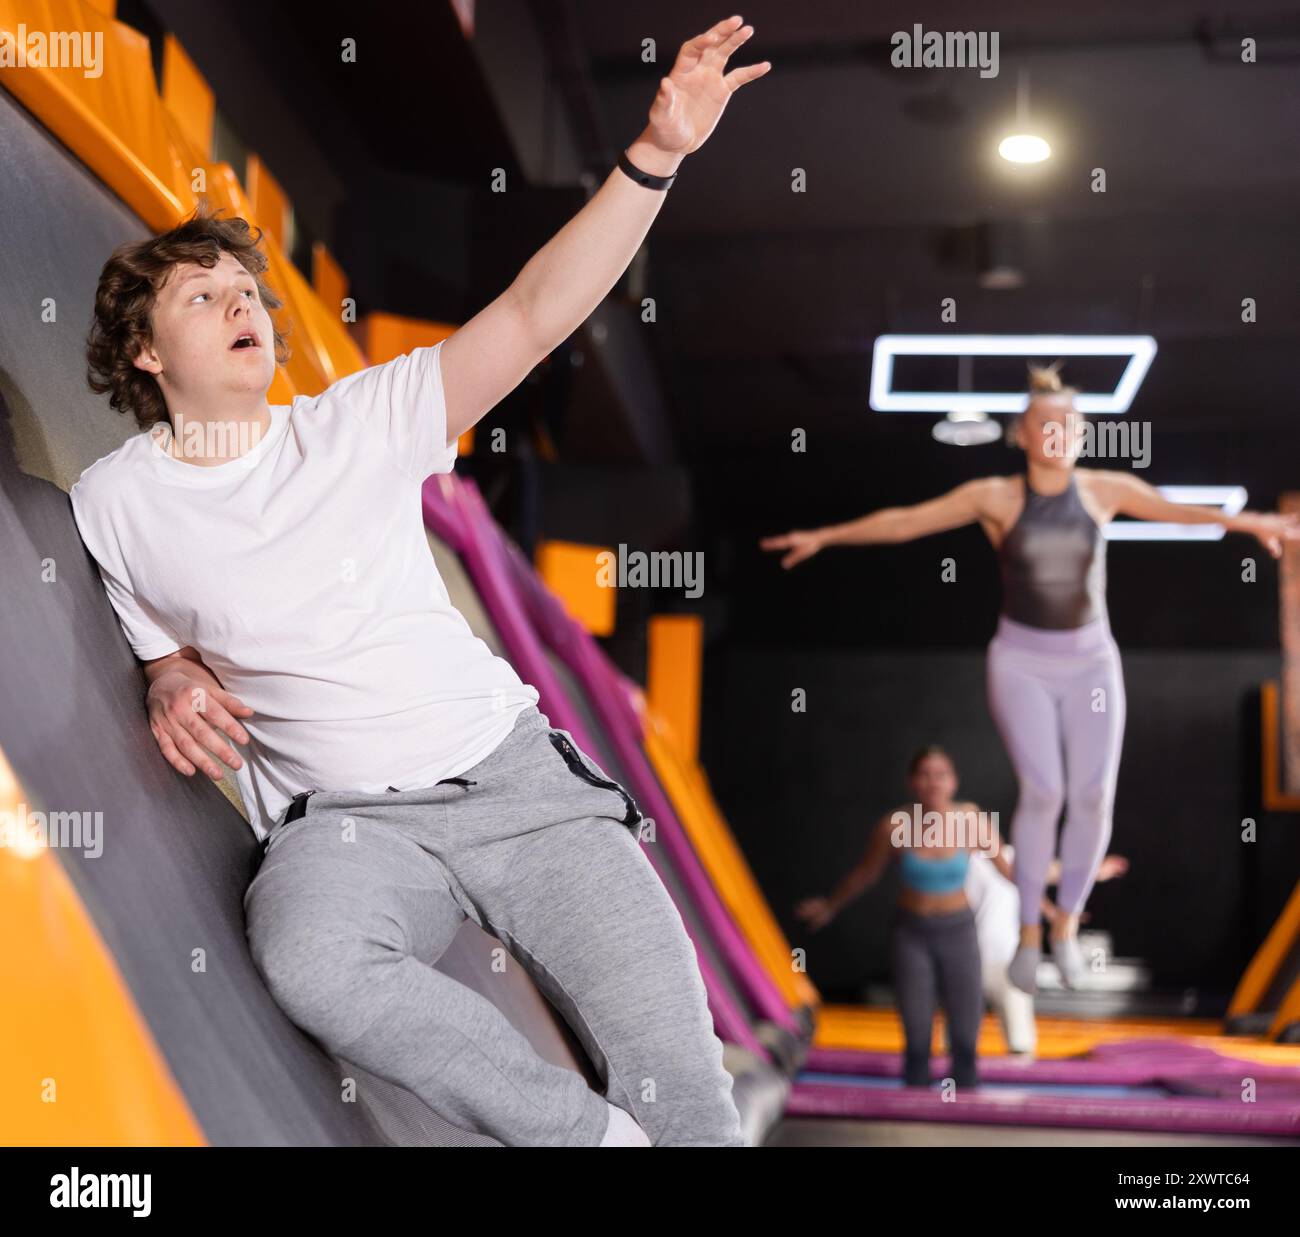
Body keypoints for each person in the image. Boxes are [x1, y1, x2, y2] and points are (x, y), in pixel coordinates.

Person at [69, 17, 770, 1147]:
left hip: (514, 785)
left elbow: (538, 312)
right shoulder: (114, 501)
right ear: (145, 354)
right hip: (342, 825)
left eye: (247, 290)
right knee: (314, 962)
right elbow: (160, 632)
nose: (244, 303)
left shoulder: (364, 419)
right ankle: (587, 1141)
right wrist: (164, 678)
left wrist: (655, 156)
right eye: (204, 297)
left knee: (684, 1085)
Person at [765, 364, 1299, 992]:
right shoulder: (996, 497)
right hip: (1020, 660)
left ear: (1080, 436)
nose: (1057, 433)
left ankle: (1065, 927)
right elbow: (908, 520)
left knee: (1094, 795)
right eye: (1045, 424)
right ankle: (1027, 936)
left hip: (1091, 660)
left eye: (1069, 425)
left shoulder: (1103, 488)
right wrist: (825, 536)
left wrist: (1252, 523)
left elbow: (1177, 510)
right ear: (1021, 434)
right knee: (1044, 792)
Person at [795, 746, 1004, 1090]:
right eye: (924, 774)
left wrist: (1054, 908)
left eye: (941, 774)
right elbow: (865, 875)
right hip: (912, 934)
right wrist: (829, 906)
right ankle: (915, 1119)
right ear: (912, 782)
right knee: (918, 1034)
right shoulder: (893, 825)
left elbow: (1012, 871)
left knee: (966, 1036)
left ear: (953, 781)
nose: (933, 782)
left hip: (959, 933)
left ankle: (965, 1113)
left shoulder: (971, 820)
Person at [965, 841, 1129, 1055]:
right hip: (971, 961)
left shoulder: (1008, 856)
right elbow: (1036, 879)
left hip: (1004, 962)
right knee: (964, 1040)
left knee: (1019, 1042)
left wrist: (1057, 911)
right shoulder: (961, 859)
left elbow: (1038, 879)